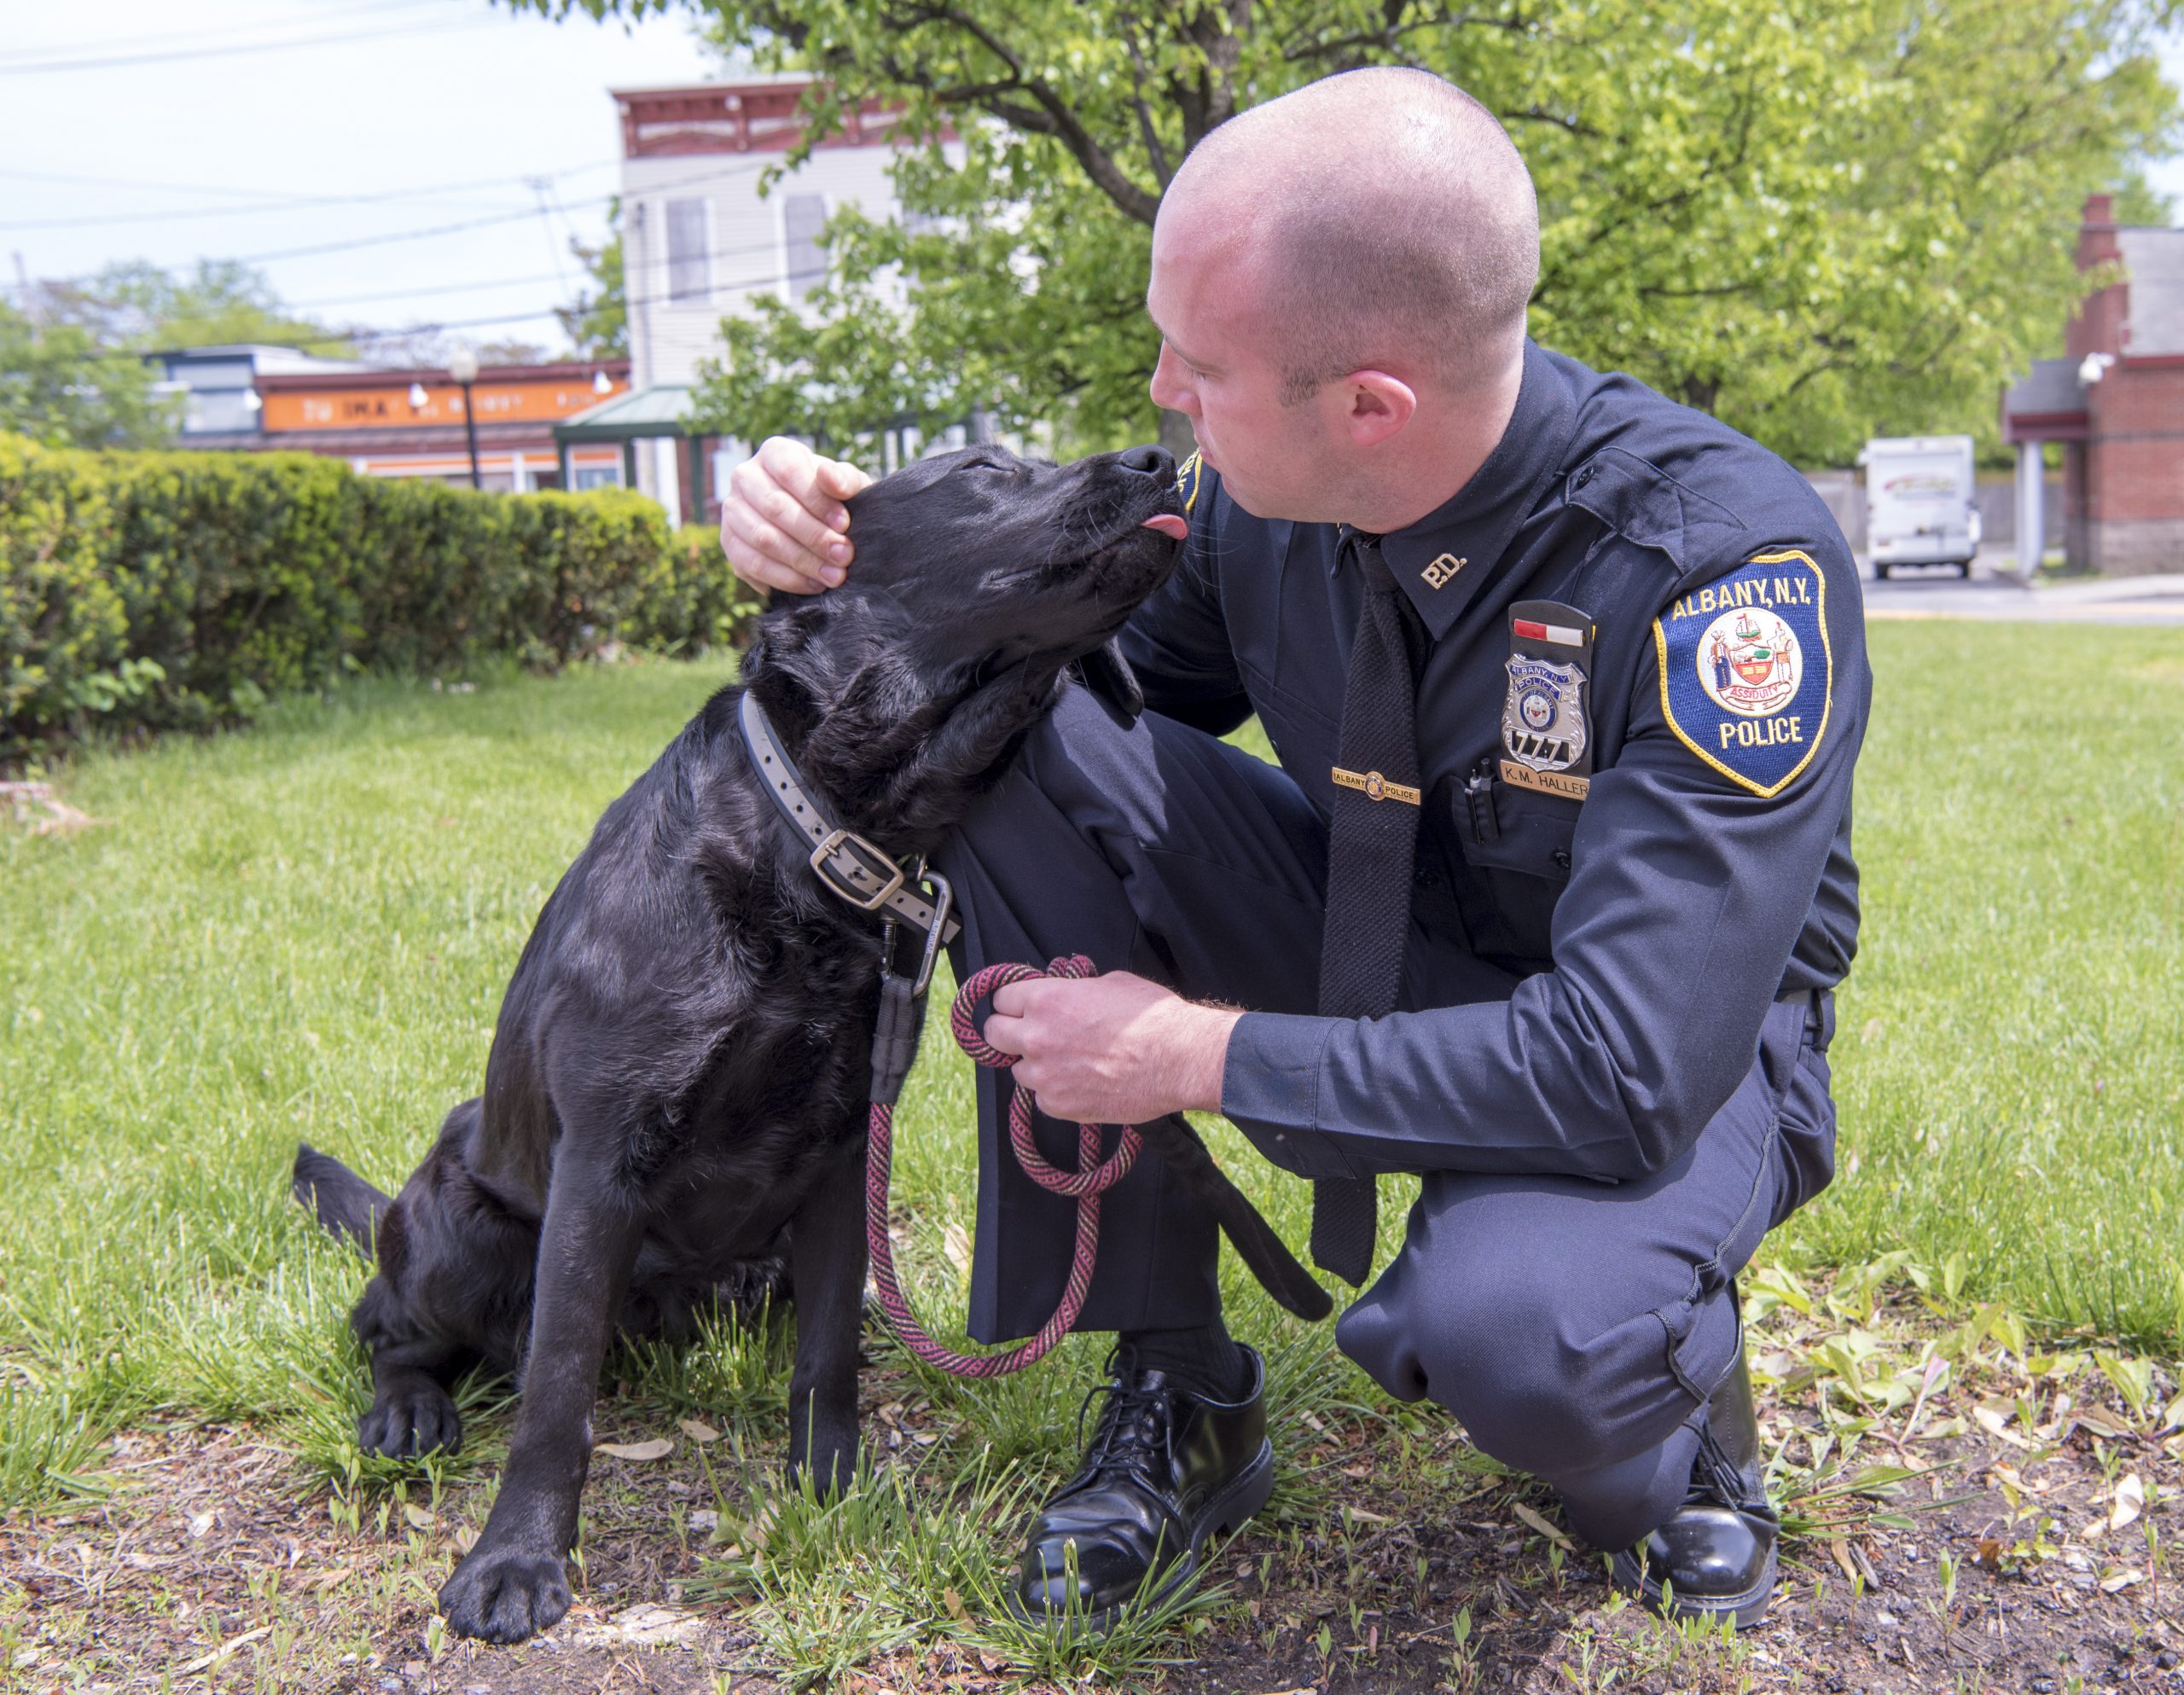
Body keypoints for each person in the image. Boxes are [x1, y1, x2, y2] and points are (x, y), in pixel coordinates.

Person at [718, 67, 1866, 1633]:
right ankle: (1178, 1379)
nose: (1158, 394)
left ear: (1371, 406)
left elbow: (1626, 1066)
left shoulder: (1717, 574)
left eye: (1200, 365)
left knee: (1523, 1334)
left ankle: (1673, 1416)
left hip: (1672, 1050)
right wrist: (834, 555)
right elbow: (1063, 709)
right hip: (1381, 944)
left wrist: (1195, 1053)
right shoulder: (1274, 499)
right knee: (1009, 733)